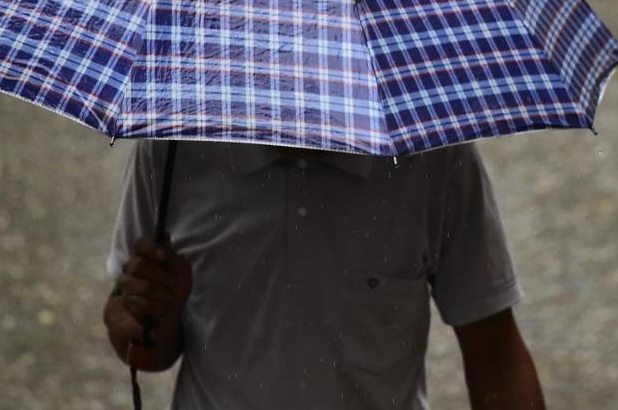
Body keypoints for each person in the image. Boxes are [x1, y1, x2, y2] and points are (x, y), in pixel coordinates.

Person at [103, 138, 546, 409]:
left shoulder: (432, 159)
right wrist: (145, 320)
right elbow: (143, 341)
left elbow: (494, 352)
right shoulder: (173, 150)